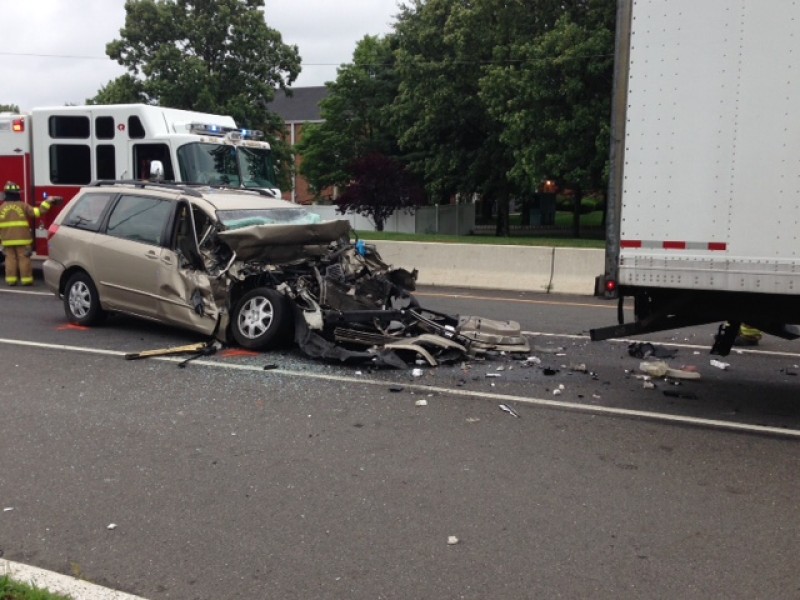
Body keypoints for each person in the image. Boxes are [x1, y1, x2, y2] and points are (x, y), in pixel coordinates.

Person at [0, 181, 61, 286]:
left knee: (10, 259)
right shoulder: (22, 206)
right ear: (17, 193)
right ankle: (26, 280)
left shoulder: (1, 208)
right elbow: (38, 212)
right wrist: (47, 201)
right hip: (22, 239)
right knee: (23, 259)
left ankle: (11, 280)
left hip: (7, 239)